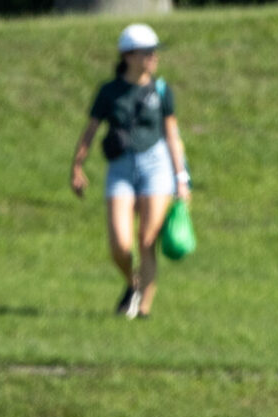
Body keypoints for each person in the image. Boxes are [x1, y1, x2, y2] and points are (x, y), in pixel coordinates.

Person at [68, 23, 191, 320]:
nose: (153, 57)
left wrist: (181, 179)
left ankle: (143, 310)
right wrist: (77, 166)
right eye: (147, 52)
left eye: (154, 52)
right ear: (127, 56)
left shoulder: (161, 90)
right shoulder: (109, 92)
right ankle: (132, 283)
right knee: (120, 244)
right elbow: (90, 131)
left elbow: (172, 136)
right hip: (121, 166)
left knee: (147, 238)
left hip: (156, 165)